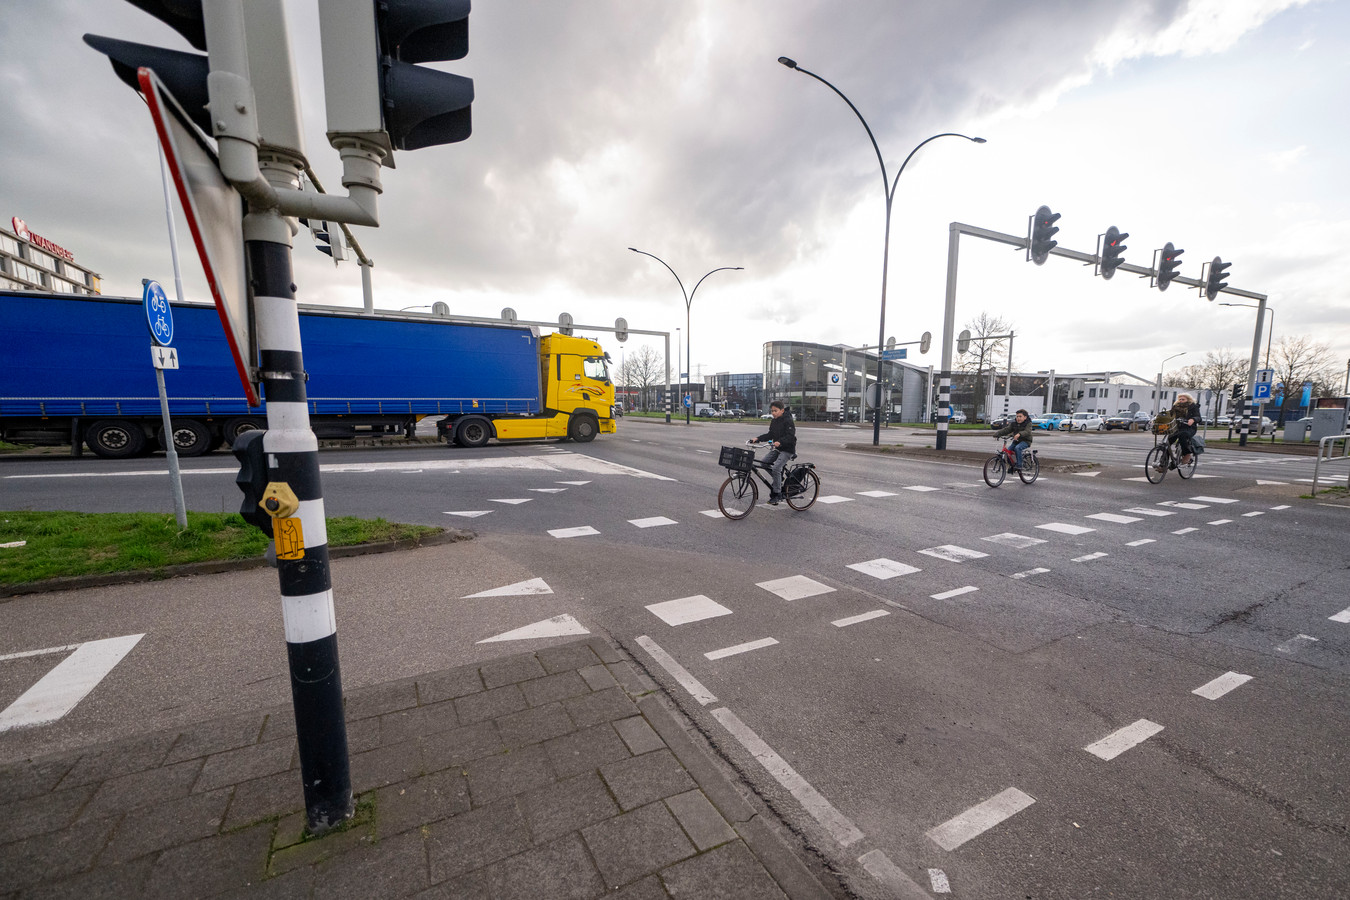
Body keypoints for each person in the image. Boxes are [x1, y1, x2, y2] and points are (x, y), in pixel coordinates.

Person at [750, 400, 797, 504]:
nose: (773, 413)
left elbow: (790, 436)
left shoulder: (788, 420)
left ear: (782, 410)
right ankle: (778, 478)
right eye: (772, 411)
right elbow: (770, 434)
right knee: (764, 463)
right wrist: (757, 439)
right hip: (778, 448)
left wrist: (780, 442)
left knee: (776, 468)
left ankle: (777, 493)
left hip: (788, 449)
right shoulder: (774, 421)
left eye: (775, 411)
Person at [1168, 393, 1200, 465]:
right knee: (1168, 441)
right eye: (1180, 399)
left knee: (1183, 435)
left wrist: (1193, 419)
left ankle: (1187, 455)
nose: (1181, 401)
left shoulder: (1193, 407)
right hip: (1177, 427)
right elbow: (1170, 415)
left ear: (1188, 400)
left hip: (1189, 428)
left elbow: (1198, 417)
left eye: (1183, 399)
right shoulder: (1175, 406)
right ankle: (1163, 461)